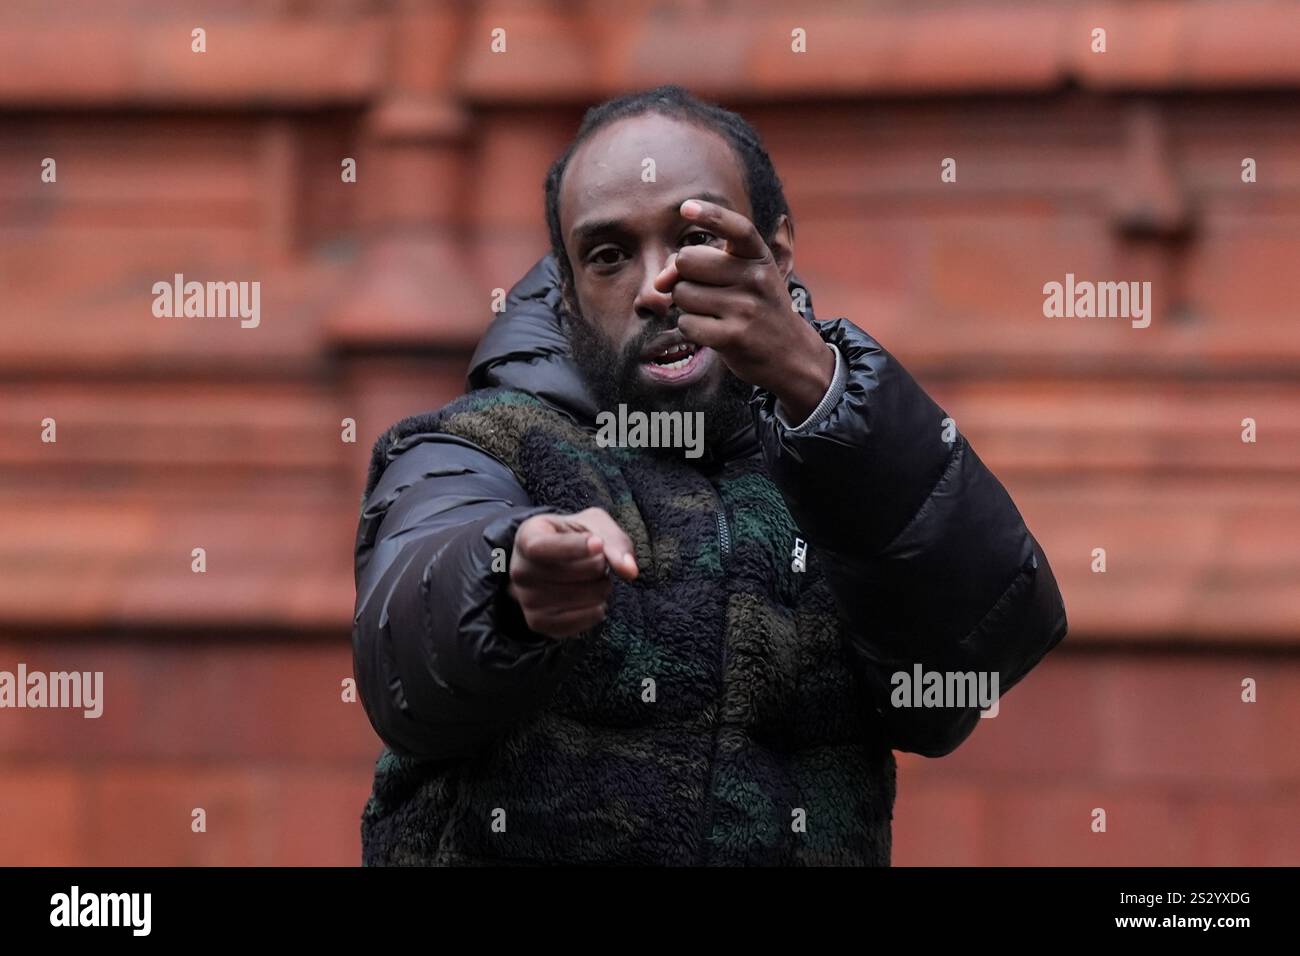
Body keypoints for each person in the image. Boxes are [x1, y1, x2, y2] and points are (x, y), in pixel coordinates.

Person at [351, 85, 1067, 866]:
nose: (658, 283)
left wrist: (814, 378)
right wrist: (506, 578)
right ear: (567, 293)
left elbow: (964, 676)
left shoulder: (839, 455)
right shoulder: (478, 447)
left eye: (695, 236)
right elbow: (404, 655)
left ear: (778, 248)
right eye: (609, 255)